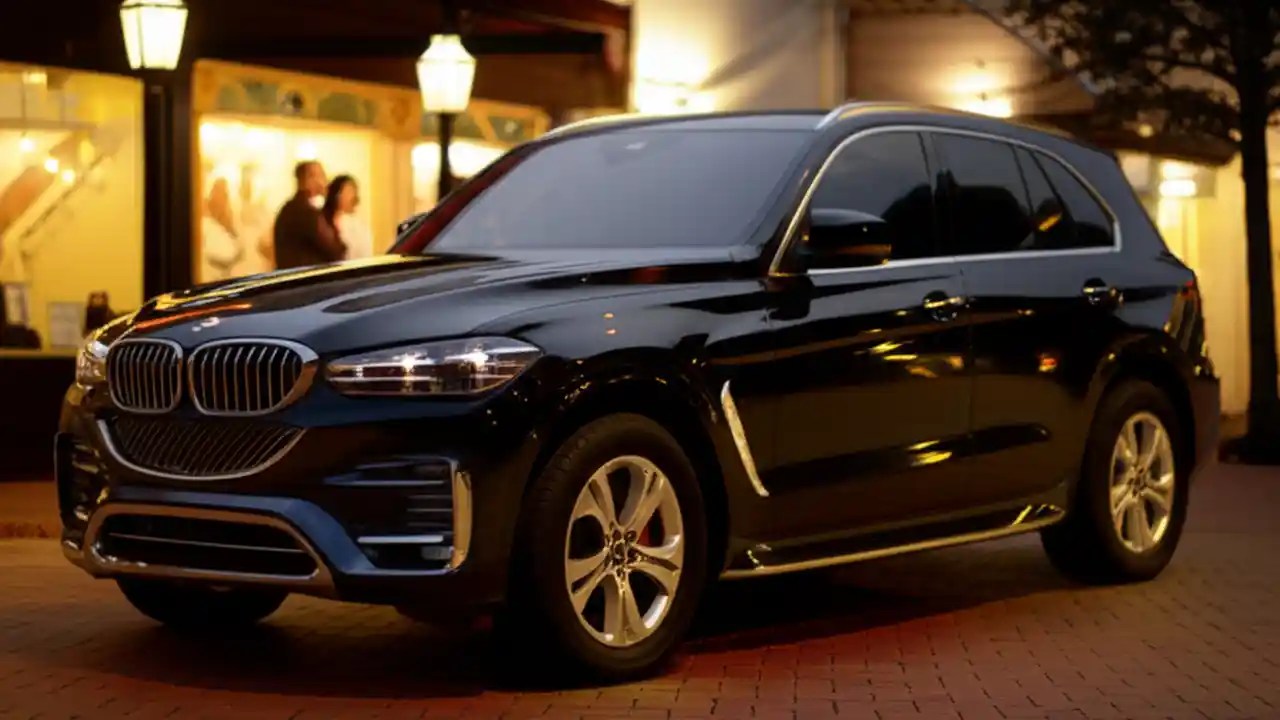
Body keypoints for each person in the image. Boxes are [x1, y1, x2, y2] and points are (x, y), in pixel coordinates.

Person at [273, 161, 346, 269]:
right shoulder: (305, 212)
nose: (326, 181)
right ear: (309, 179)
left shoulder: (290, 208)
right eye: (321, 175)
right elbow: (334, 250)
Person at [323, 175, 373, 259]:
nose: (354, 197)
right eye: (349, 191)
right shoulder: (323, 221)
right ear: (336, 195)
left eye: (354, 191)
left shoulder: (358, 226)